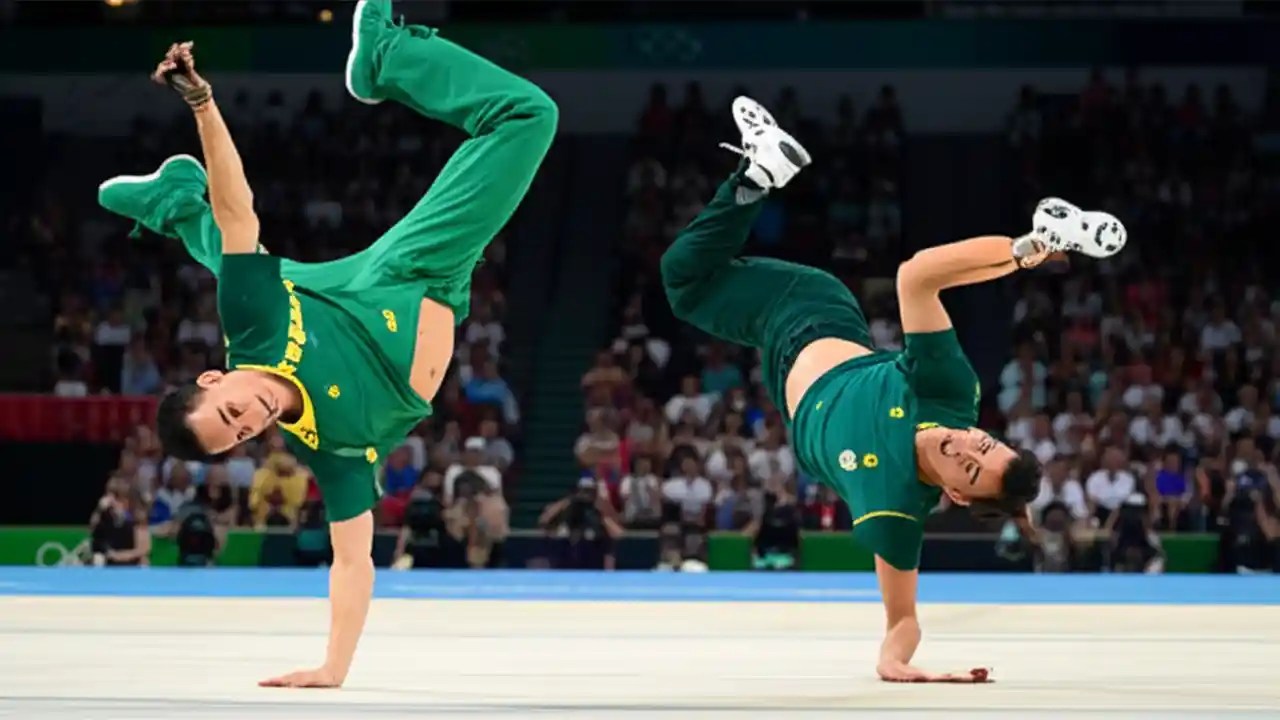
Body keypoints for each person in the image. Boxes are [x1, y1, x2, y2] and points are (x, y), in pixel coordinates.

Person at [95, 0, 556, 688]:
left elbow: (240, 209)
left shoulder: (251, 328)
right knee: (237, 255)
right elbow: (353, 560)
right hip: (422, 289)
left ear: (218, 379)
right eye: (241, 438)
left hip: (397, 277)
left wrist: (202, 103)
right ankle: (174, 198)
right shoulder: (331, 448)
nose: (248, 425)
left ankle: (384, 57)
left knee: (527, 116)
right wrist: (333, 667)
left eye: (229, 414)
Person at [659, 96, 1127, 683]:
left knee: (689, 278)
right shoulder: (950, 393)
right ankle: (759, 173)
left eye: (972, 469)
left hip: (781, 353)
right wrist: (1024, 250)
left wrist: (896, 662)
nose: (966, 448)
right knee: (683, 282)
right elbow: (918, 277)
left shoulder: (897, 511)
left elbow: (902, 618)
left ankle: (760, 172)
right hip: (808, 313)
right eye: (983, 444)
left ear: (957, 496)